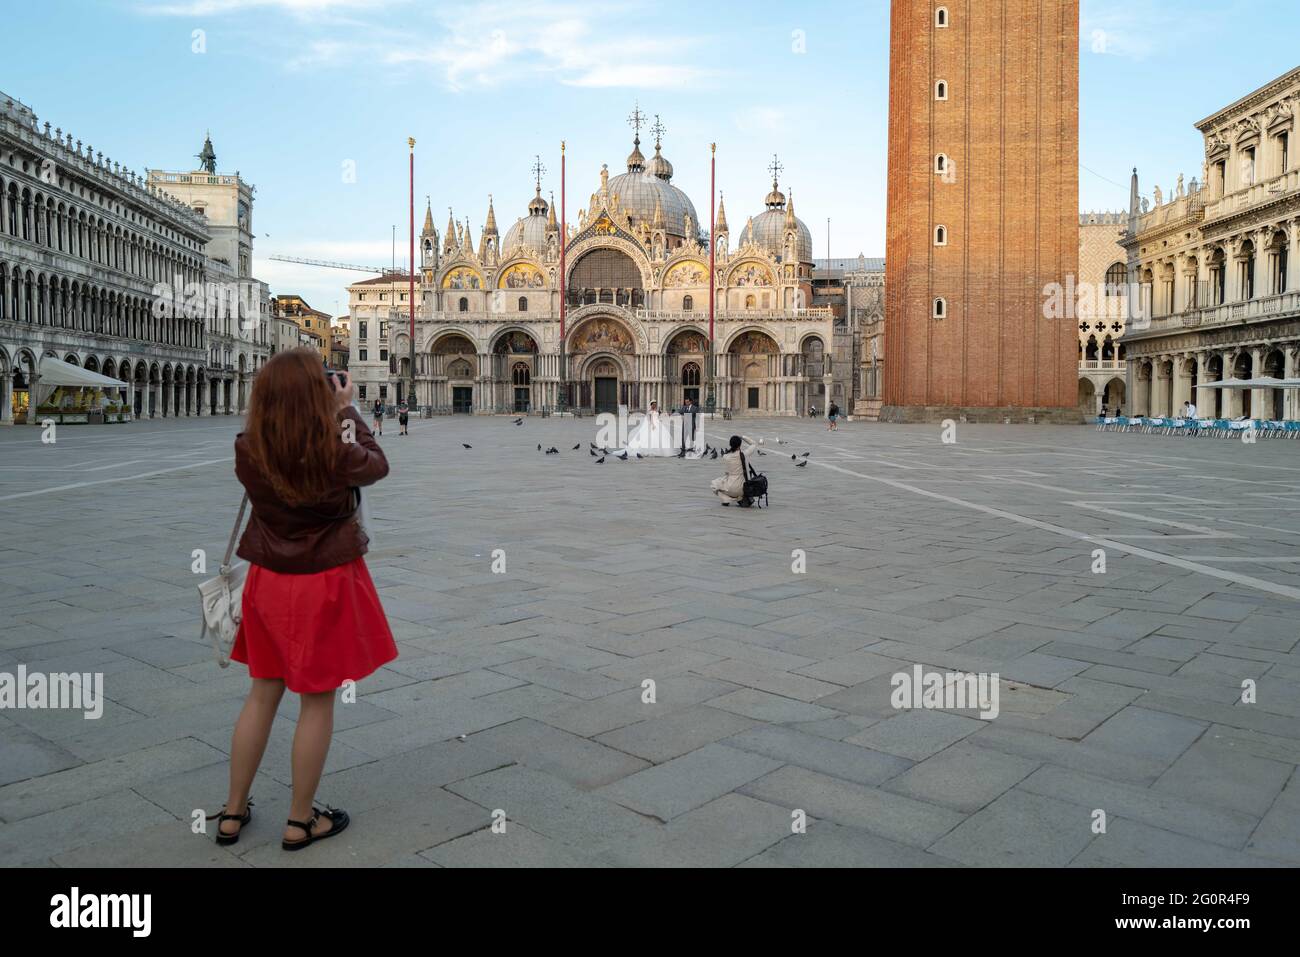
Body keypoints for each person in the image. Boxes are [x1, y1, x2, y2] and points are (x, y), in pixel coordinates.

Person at [217, 348, 396, 852]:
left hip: (268, 581)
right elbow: (377, 465)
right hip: (324, 579)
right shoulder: (334, 447)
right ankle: (300, 821)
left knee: (261, 695)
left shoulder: (248, 447)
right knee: (315, 702)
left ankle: (232, 813)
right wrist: (346, 412)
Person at [711, 434, 759, 506]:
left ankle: (726, 499)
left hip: (729, 489)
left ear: (730, 445)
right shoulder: (744, 454)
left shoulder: (725, 456)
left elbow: (726, 473)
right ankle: (740, 498)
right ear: (740, 445)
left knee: (714, 484)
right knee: (739, 487)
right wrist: (743, 437)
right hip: (743, 489)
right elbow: (754, 444)